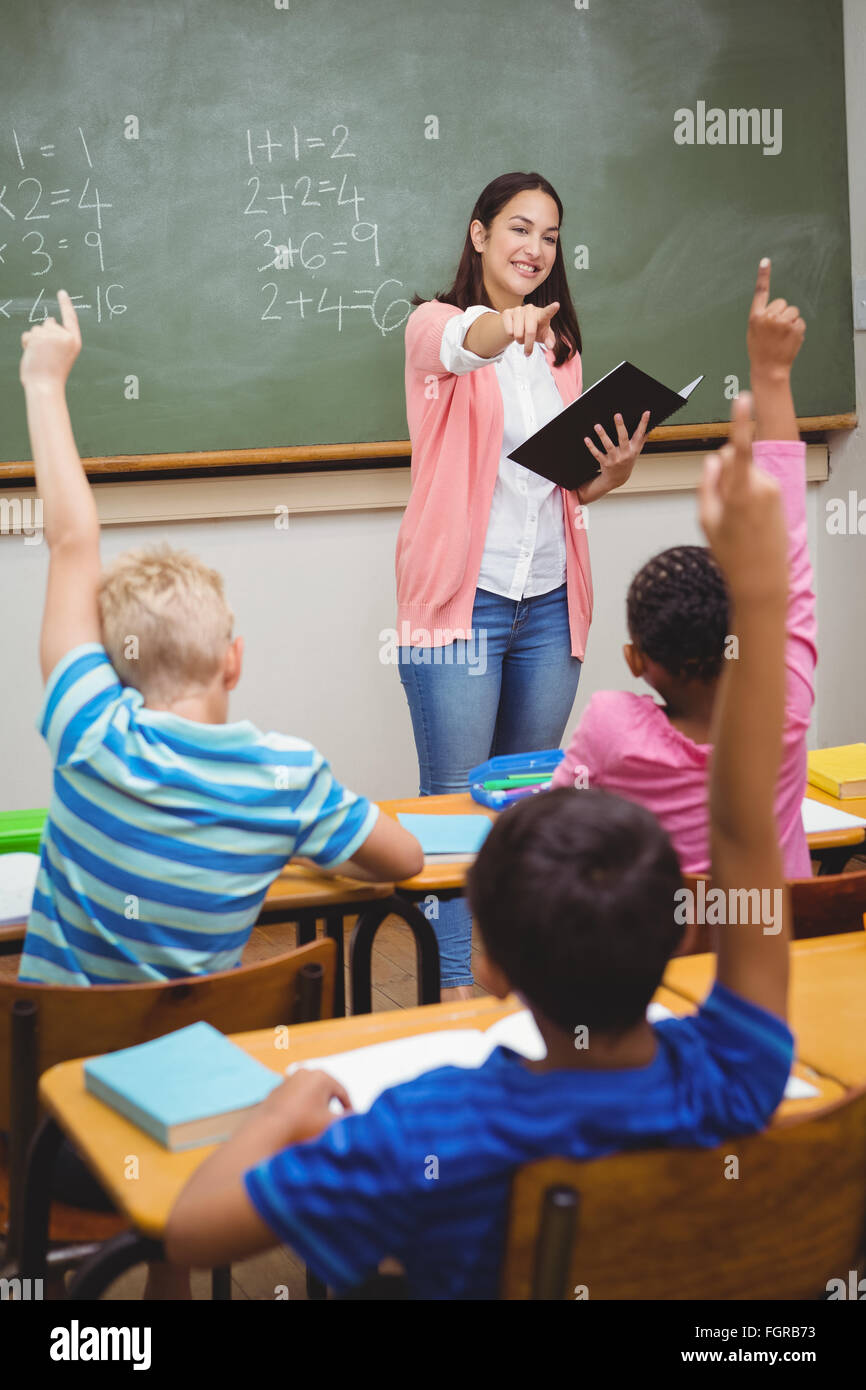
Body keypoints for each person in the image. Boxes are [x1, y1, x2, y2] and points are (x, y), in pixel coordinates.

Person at [165, 390, 794, 1300]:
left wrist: (278, 1110)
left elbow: (191, 1227)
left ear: (488, 960)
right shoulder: (736, 1077)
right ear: (686, 934)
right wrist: (759, 585)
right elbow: (744, 833)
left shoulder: (428, 1131)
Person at [17, 292, 423, 987]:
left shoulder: (89, 731)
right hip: (197, 1083)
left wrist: (43, 380)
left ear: (114, 670)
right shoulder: (288, 782)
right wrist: (293, 841)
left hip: (53, 1074)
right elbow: (406, 862)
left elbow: (70, 538)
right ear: (233, 661)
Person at [396, 171, 649, 998]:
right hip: (460, 606)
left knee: (523, 811)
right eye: (517, 229)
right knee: (452, 817)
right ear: (478, 236)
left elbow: (562, 487)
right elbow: (469, 339)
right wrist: (509, 329)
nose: (534, 249)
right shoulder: (436, 326)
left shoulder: (560, 352)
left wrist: (609, 473)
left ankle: (512, 994)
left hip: (546, 605)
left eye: (548, 236)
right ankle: (454, 999)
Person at [553, 259, 813, 877]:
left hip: (657, 966)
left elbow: (550, 827)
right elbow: (789, 545)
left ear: (638, 660)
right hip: (776, 957)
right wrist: (771, 376)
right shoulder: (785, 707)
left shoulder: (614, 730)